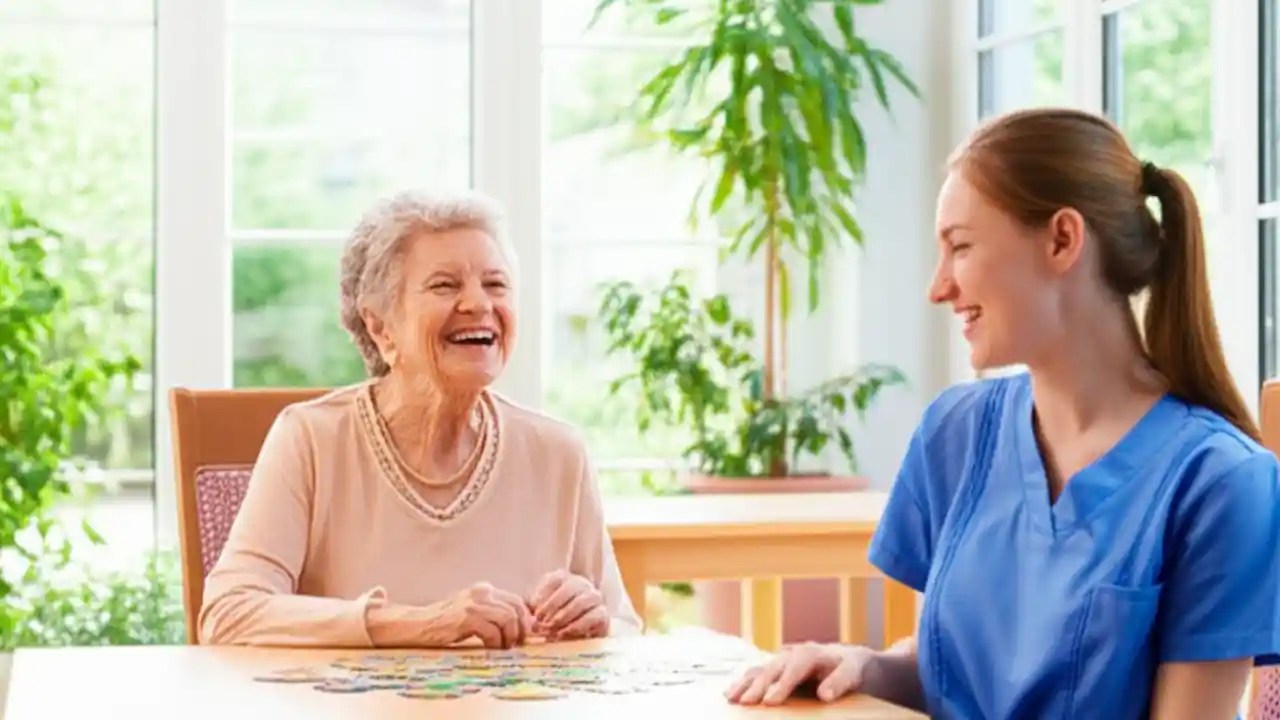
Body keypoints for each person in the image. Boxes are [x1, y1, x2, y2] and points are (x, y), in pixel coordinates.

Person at [725, 107, 1280, 718]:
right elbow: (947, 676)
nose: (938, 287)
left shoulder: (1223, 482)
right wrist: (861, 666)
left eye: (960, 247)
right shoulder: (954, 432)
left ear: (1063, 240)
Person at [199, 190, 642, 648]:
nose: (478, 303)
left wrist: (597, 623)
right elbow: (230, 614)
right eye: (445, 285)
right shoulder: (310, 438)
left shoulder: (558, 452)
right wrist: (424, 624)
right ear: (379, 327)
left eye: (496, 284)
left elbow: (627, 630)